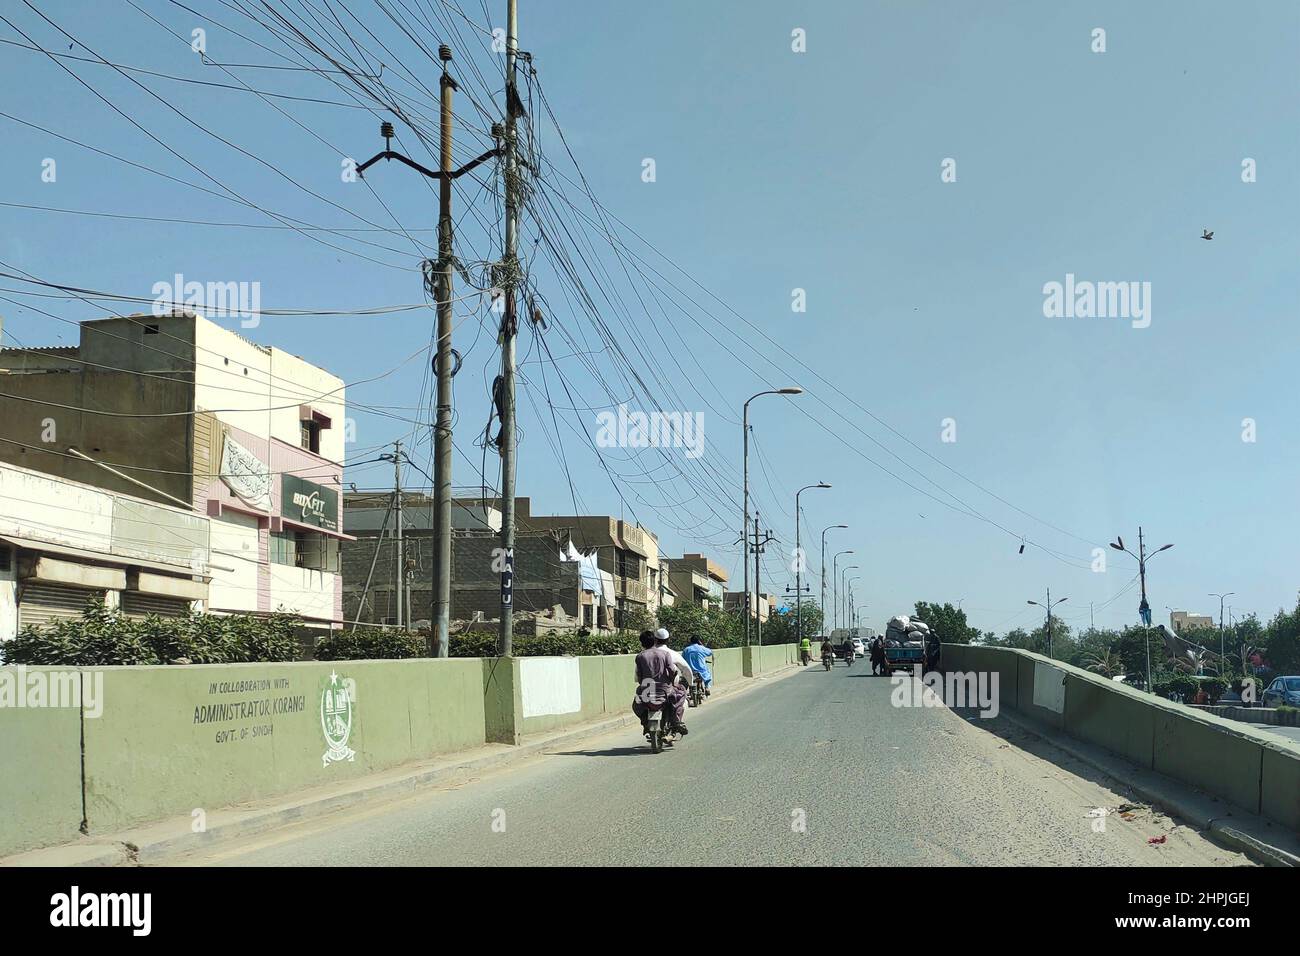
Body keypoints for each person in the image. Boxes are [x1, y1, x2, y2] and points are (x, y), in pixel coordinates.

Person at [633, 630, 686, 734]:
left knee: (636, 704)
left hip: (647, 691)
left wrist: (643, 685)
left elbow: (639, 676)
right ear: (655, 641)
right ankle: (676, 721)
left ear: (642, 643)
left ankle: (645, 721)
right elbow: (672, 670)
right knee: (681, 693)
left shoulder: (640, 656)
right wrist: (672, 681)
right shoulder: (665, 654)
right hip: (665, 690)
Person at [652, 628, 690, 731]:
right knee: (682, 699)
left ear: (655, 639)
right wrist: (690, 684)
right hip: (669, 688)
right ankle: (676, 721)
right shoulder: (672, 654)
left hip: (649, 688)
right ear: (668, 640)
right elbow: (686, 670)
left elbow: (637, 675)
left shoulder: (645, 654)